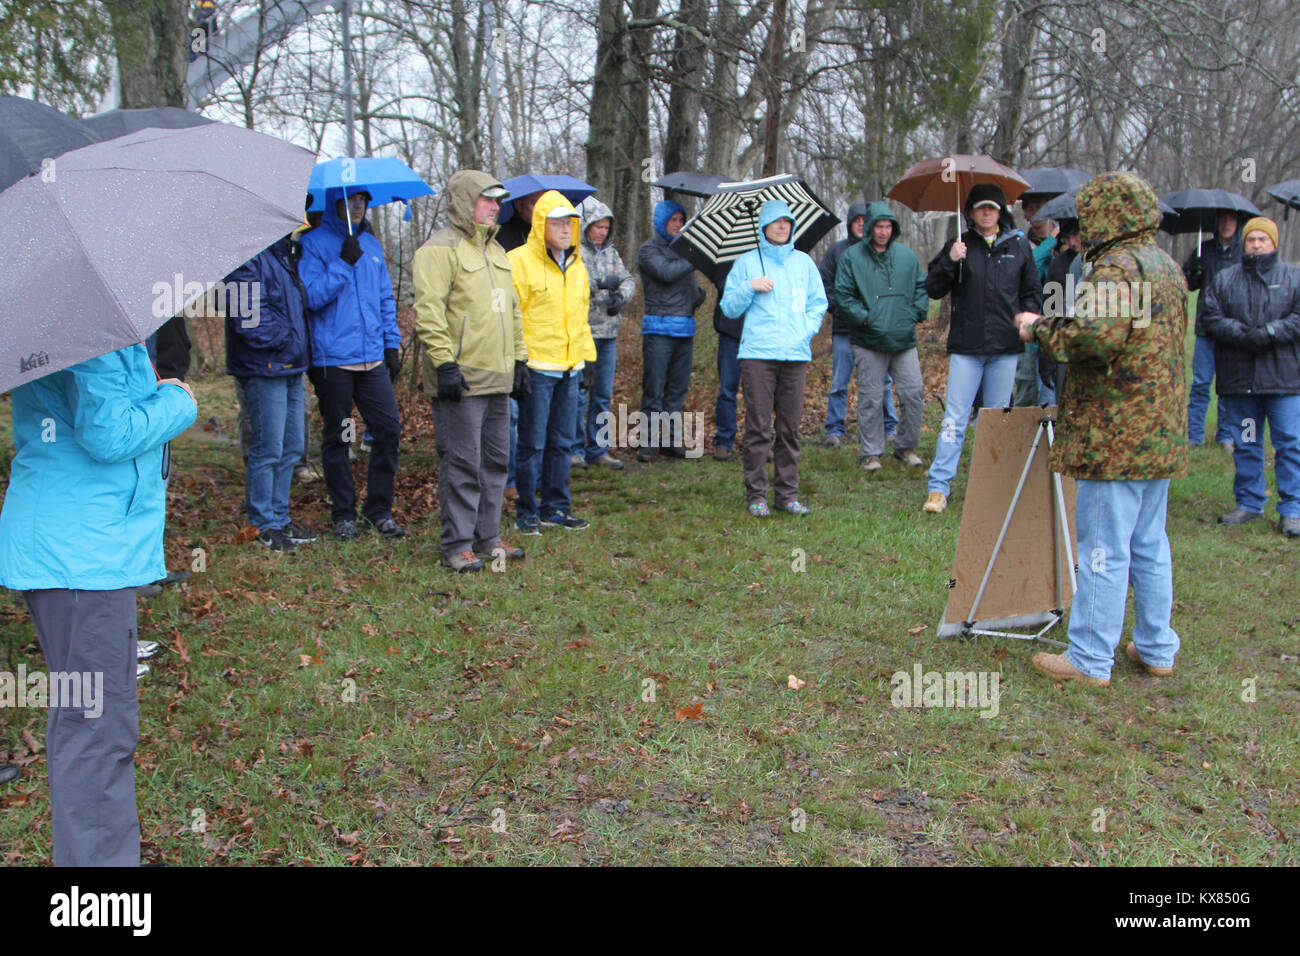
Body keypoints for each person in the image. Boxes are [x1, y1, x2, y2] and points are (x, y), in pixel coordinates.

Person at [0, 344, 198, 864]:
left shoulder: (65, 321)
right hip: (81, 557)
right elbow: (109, 433)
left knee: (86, 720)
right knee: (97, 728)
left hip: (73, 549)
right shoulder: (89, 337)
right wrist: (177, 399)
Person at [1017, 171, 1187, 686]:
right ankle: (1157, 646)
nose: (1080, 227)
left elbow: (1092, 341)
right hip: (1157, 431)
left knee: (1101, 546)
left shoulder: (1115, 271)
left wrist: (1038, 327)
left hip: (1115, 431)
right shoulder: (1165, 265)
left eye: (1087, 217)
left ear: (1106, 216)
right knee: (1149, 542)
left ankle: (1090, 658)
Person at [413, 170, 529, 572]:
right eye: (487, 200)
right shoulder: (439, 248)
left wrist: (521, 359)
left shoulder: (497, 250)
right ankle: (457, 544)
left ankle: (487, 537)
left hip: (498, 374)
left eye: (498, 201)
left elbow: (512, 311)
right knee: (462, 461)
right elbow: (428, 311)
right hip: (460, 377)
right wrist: (444, 363)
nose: (496, 207)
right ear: (466, 202)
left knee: (497, 460)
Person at [922, 183, 1041, 513]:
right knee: (954, 419)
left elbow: (1032, 290)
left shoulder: (1019, 246)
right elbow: (932, 289)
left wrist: (1028, 316)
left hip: (1005, 347)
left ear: (1001, 211)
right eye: (980, 208)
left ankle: (994, 486)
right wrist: (949, 260)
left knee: (996, 420)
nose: (986, 212)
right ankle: (938, 488)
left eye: (992, 207)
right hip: (967, 347)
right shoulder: (959, 245)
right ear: (970, 213)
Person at [298, 188, 405, 540]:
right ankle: (343, 514)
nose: (358, 206)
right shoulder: (314, 243)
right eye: (351, 200)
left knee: (387, 430)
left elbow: (385, 298)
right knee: (340, 437)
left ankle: (378, 510)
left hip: (372, 358)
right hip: (333, 361)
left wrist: (392, 344)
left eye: (363, 200)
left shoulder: (372, 246)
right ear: (336, 203)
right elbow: (310, 297)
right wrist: (343, 262)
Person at [720, 200, 827, 516]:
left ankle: (787, 494)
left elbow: (817, 304)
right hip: (757, 356)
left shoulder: (804, 263)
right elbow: (729, 308)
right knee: (758, 428)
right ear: (763, 226)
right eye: (775, 222)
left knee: (790, 428)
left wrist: (804, 331)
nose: (782, 226)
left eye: (786, 222)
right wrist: (750, 287)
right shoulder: (747, 263)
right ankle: (757, 495)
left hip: (795, 356)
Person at [1201, 216, 1300, 538]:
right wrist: (1243, 334)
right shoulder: (1225, 279)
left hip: (1284, 379)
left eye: (1263, 239)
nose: (1257, 244)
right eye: (1251, 239)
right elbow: (1211, 316)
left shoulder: (1293, 278)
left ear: (1274, 243)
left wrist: (1270, 332)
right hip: (1240, 381)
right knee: (1246, 442)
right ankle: (1249, 501)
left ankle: (1293, 509)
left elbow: (1298, 318)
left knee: (1289, 443)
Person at [508, 190, 596, 534]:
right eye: (557, 222)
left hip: (570, 366)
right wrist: (518, 362)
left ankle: (556, 507)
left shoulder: (577, 265)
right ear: (540, 223)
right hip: (537, 367)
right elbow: (513, 317)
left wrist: (587, 357)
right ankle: (527, 510)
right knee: (532, 443)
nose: (565, 229)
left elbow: (581, 316)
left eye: (570, 223)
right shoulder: (518, 261)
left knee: (562, 441)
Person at [224, 234, 317, 552]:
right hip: (263, 368)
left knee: (292, 446)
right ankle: (263, 524)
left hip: (291, 367)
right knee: (268, 448)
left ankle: (280, 519)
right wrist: (290, 341)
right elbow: (249, 320)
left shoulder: (283, 256)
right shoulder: (246, 256)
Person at [833, 201, 928, 472]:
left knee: (913, 393)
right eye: (879, 226)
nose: (884, 232)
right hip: (868, 340)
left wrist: (915, 313)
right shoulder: (852, 257)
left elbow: (921, 287)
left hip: (903, 339)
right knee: (871, 398)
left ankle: (906, 446)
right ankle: (871, 453)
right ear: (870, 229)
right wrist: (867, 319)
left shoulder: (907, 257)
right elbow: (844, 295)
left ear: (894, 228)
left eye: (888, 227)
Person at [819, 202, 897, 447]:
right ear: (851, 223)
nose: (862, 224)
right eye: (857, 220)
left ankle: (889, 426)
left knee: (882, 381)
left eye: (866, 219)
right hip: (844, 330)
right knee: (840, 382)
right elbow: (825, 285)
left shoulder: (881, 251)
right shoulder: (836, 251)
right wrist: (840, 308)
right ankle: (834, 429)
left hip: (876, 330)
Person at [637, 199, 705, 461]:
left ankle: (670, 441)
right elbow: (665, 273)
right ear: (661, 221)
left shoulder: (683, 250)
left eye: (681, 220)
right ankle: (647, 442)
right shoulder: (648, 250)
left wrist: (697, 296)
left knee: (677, 391)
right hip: (659, 329)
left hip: (685, 329)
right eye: (673, 219)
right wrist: (694, 257)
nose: (677, 224)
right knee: (654, 390)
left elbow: (686, 284)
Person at [574, 196, 636, 470]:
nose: (601, 231)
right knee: (578, 394)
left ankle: (598, 448)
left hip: (608, 334)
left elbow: (628, 279)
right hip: (582, 332)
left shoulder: (610, 253)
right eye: (597, 226)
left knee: (602, 394)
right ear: (586, 226)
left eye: (606, 227)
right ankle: (574, 449)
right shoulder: (575, 252)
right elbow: (571, 285)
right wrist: (598, 284)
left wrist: (620, 297)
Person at [1184, 210, 1243, 450]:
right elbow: (1188, 285)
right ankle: (1194, 435)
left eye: (1231, 219)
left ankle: (1226, 435)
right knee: (1200, 383)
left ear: (1237, 223)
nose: (1227, 223)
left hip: (1232, 330)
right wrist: (1193, 271)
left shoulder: (1243, 254)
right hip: (1206, 329)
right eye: (1223, 219)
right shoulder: (1203, 250)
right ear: (1216, 222)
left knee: (1229, 385)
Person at [710, 260, 741, 460]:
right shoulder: (726, 259)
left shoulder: (769, 259)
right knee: (727, 390)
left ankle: (761, 441)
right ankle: (723, 441)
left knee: (762, 393)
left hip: (761, 334)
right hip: (731, 332)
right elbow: (723, 286)